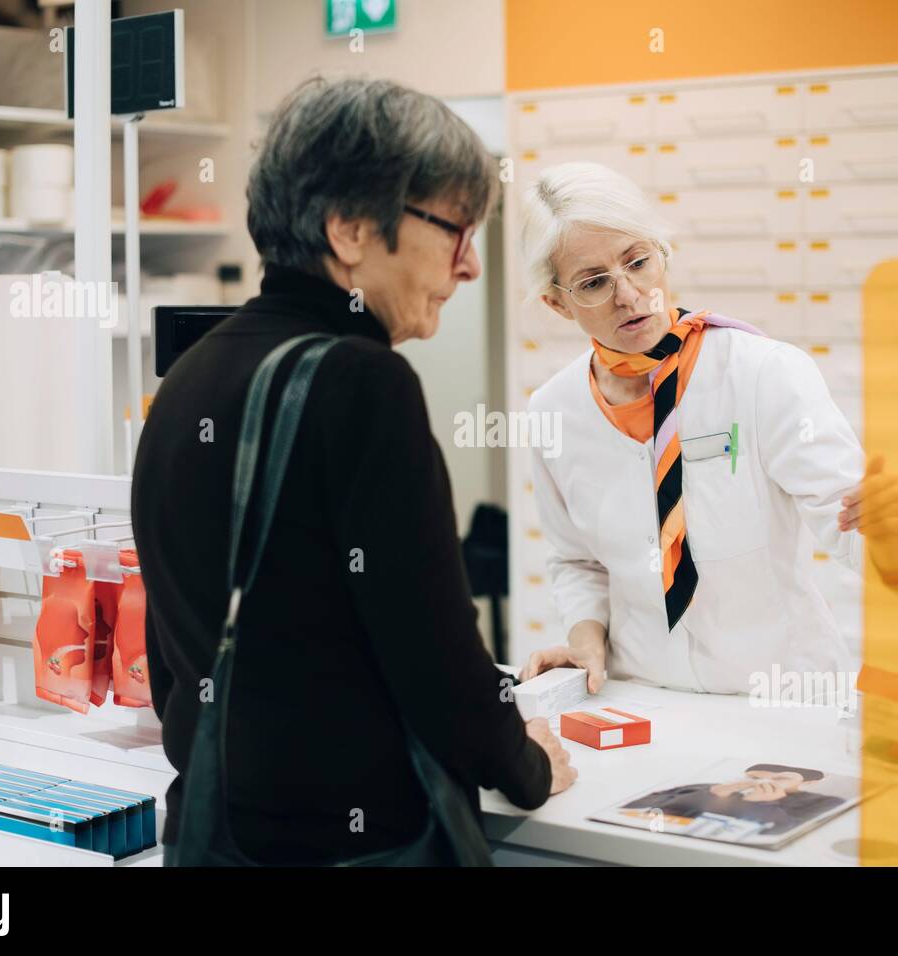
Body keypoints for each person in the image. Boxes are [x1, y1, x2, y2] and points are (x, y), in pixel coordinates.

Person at [131, 76, 575, 866]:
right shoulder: (361, 382)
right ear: (349, 230)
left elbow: (171, 658)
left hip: (218, 828)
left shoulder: (189, 376)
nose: (468, 268)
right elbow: (436, 655)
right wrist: (528, 762)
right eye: (454, 232)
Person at [516, 162, 898, 697]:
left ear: (662, 253)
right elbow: (576, 561)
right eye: (594, 283)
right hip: (646, 695)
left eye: (637, 262)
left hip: (783, 696)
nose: (630, 295)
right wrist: (587, 642)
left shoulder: (763, 372)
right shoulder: (554, 411)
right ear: (556, 302)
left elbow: (851, 530)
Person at [622, 764, 845, 837]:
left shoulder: (824, 804)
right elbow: (632, 810)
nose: (762, 782)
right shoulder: (707, 789)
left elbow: (781, 835)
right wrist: (708, 796)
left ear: (808, 784)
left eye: (779, 778)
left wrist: (764, 806)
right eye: (753, 778)